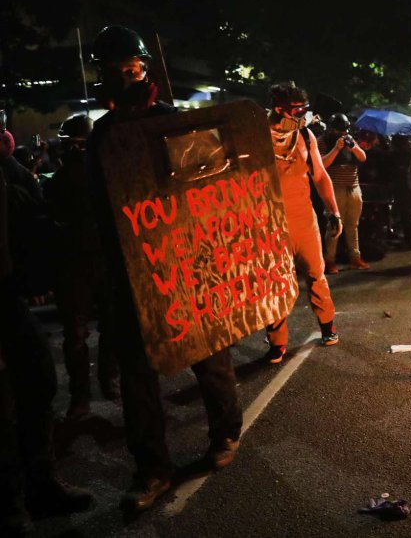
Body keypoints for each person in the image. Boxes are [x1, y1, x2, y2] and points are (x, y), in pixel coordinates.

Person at [87, 26, 243, 512]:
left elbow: (209, 190)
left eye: (131, 69)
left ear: (145, 69)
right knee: (138, 376)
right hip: (131, 274)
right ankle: (152, 469)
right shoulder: (102, 135)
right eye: (115, 71)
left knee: (209, 357)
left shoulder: (174, 124)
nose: (124, 77)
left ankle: (225, 433)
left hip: (186, 266)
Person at [1, 135, 93, 535]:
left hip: (6, 294)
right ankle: (10, 504)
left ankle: (39, 485)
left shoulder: (10, 172)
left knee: (37, 382)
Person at [45, 113, 119, 419]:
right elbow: (50, 226)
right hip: (72, 267)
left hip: (104, 261)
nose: (76, 151)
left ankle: (108, 378)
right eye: (71, 145)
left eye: (81, 145)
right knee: (75, 335)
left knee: (112, 327)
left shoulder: (107, 177)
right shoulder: (57, 183)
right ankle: (80, 395)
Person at [266, 82, 343, 362]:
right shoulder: (255, 136)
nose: (302, 116)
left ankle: (328, 326)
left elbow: (319, 175)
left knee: (316, 273)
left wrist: (334, 212)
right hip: (269, 222)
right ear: (279, 109)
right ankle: (277, 342)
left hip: (303, 217)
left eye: (304, 110)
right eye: (297, 111)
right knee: (275, 282)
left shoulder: (305, 135)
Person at [318, 113, 369, 272]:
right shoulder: (322, 141)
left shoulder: (349, 140)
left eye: (345, 130)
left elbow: (363, 157)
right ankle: (329, 261)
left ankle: (355, 257)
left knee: (353, 225)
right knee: (334, 225)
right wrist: (336, 148)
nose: (342, 133)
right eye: (339, 130)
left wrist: (353, 147)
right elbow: (322, 163)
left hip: (353, 187)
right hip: (335, 188)